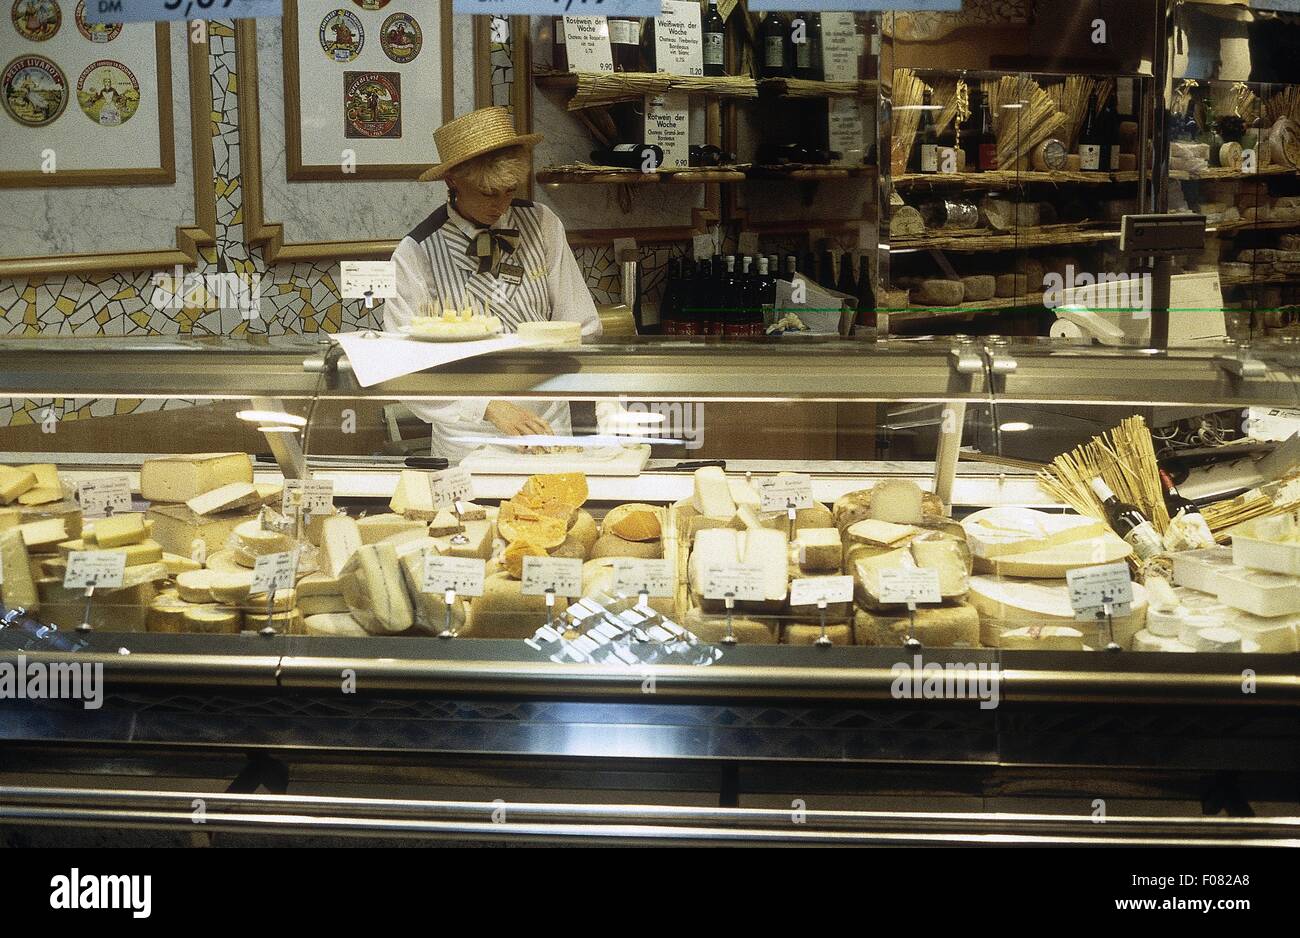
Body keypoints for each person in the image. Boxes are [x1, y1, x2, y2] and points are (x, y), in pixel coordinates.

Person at [385, 106, 604, 463]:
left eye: (509, 191)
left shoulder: (543, 224)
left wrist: (603, 405)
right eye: (488, 193)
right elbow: (405, 367)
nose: (501, 206)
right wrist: (486, 405)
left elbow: (583, 327)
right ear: (452, 180)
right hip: (468, 439)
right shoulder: (416, 253)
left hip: (548, 428)